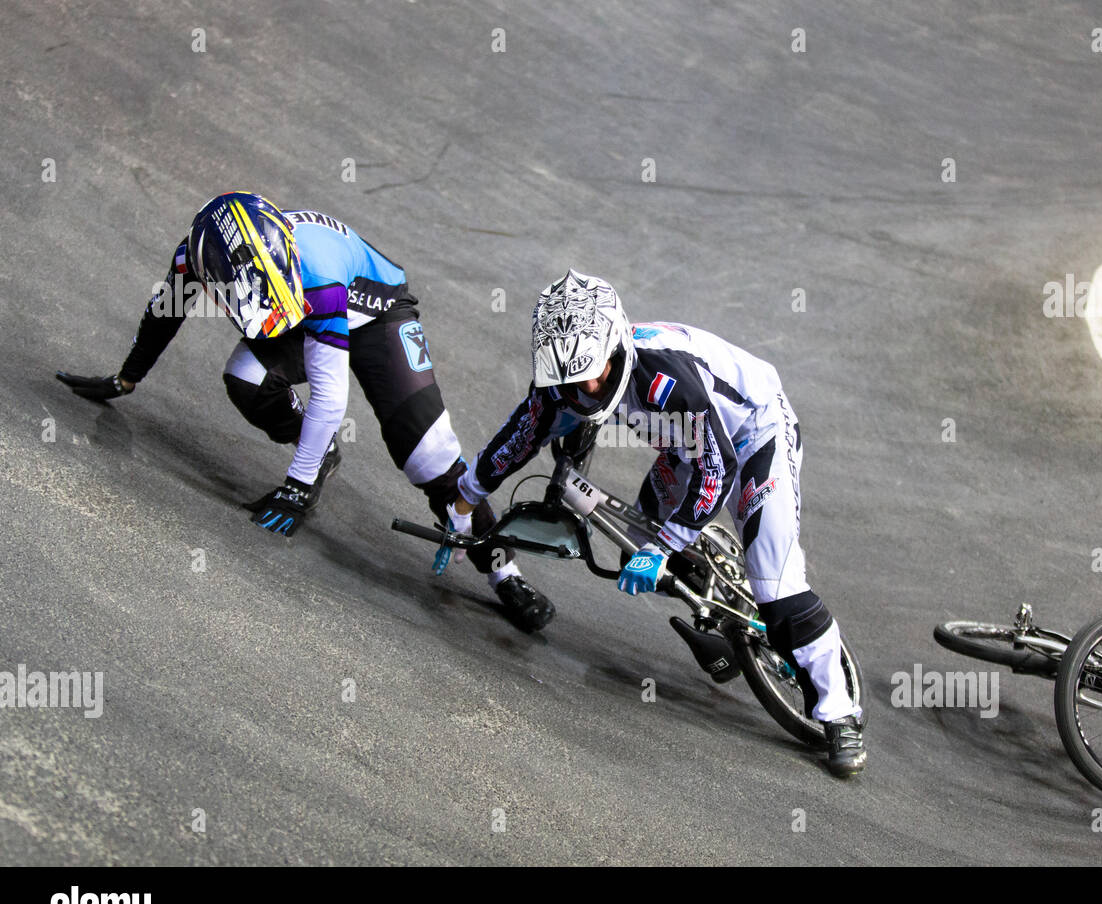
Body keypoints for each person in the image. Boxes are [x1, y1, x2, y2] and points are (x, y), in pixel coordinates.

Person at [55, 191, 554, 632]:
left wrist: (297, 484)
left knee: (430, 457)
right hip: (302, 305)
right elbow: (166, 310)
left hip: (373, 315)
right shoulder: (196, 254)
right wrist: (126, 378)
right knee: (247, 377)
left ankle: (505, 573)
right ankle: (318, 452)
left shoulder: (315, 273)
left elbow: (331, 394)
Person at [444, 269, 866, 776]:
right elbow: (521, 436)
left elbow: (720, 466)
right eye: (570, 382)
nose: (586, 390)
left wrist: (666, 544)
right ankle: (718, 606)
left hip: (754, 432)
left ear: (616, 346)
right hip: (687, 445)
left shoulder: (666, 376)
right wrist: (465, 498)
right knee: (632, 544)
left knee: (775, 582)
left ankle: (841, 713)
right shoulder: (565, 376)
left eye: (594, 373)